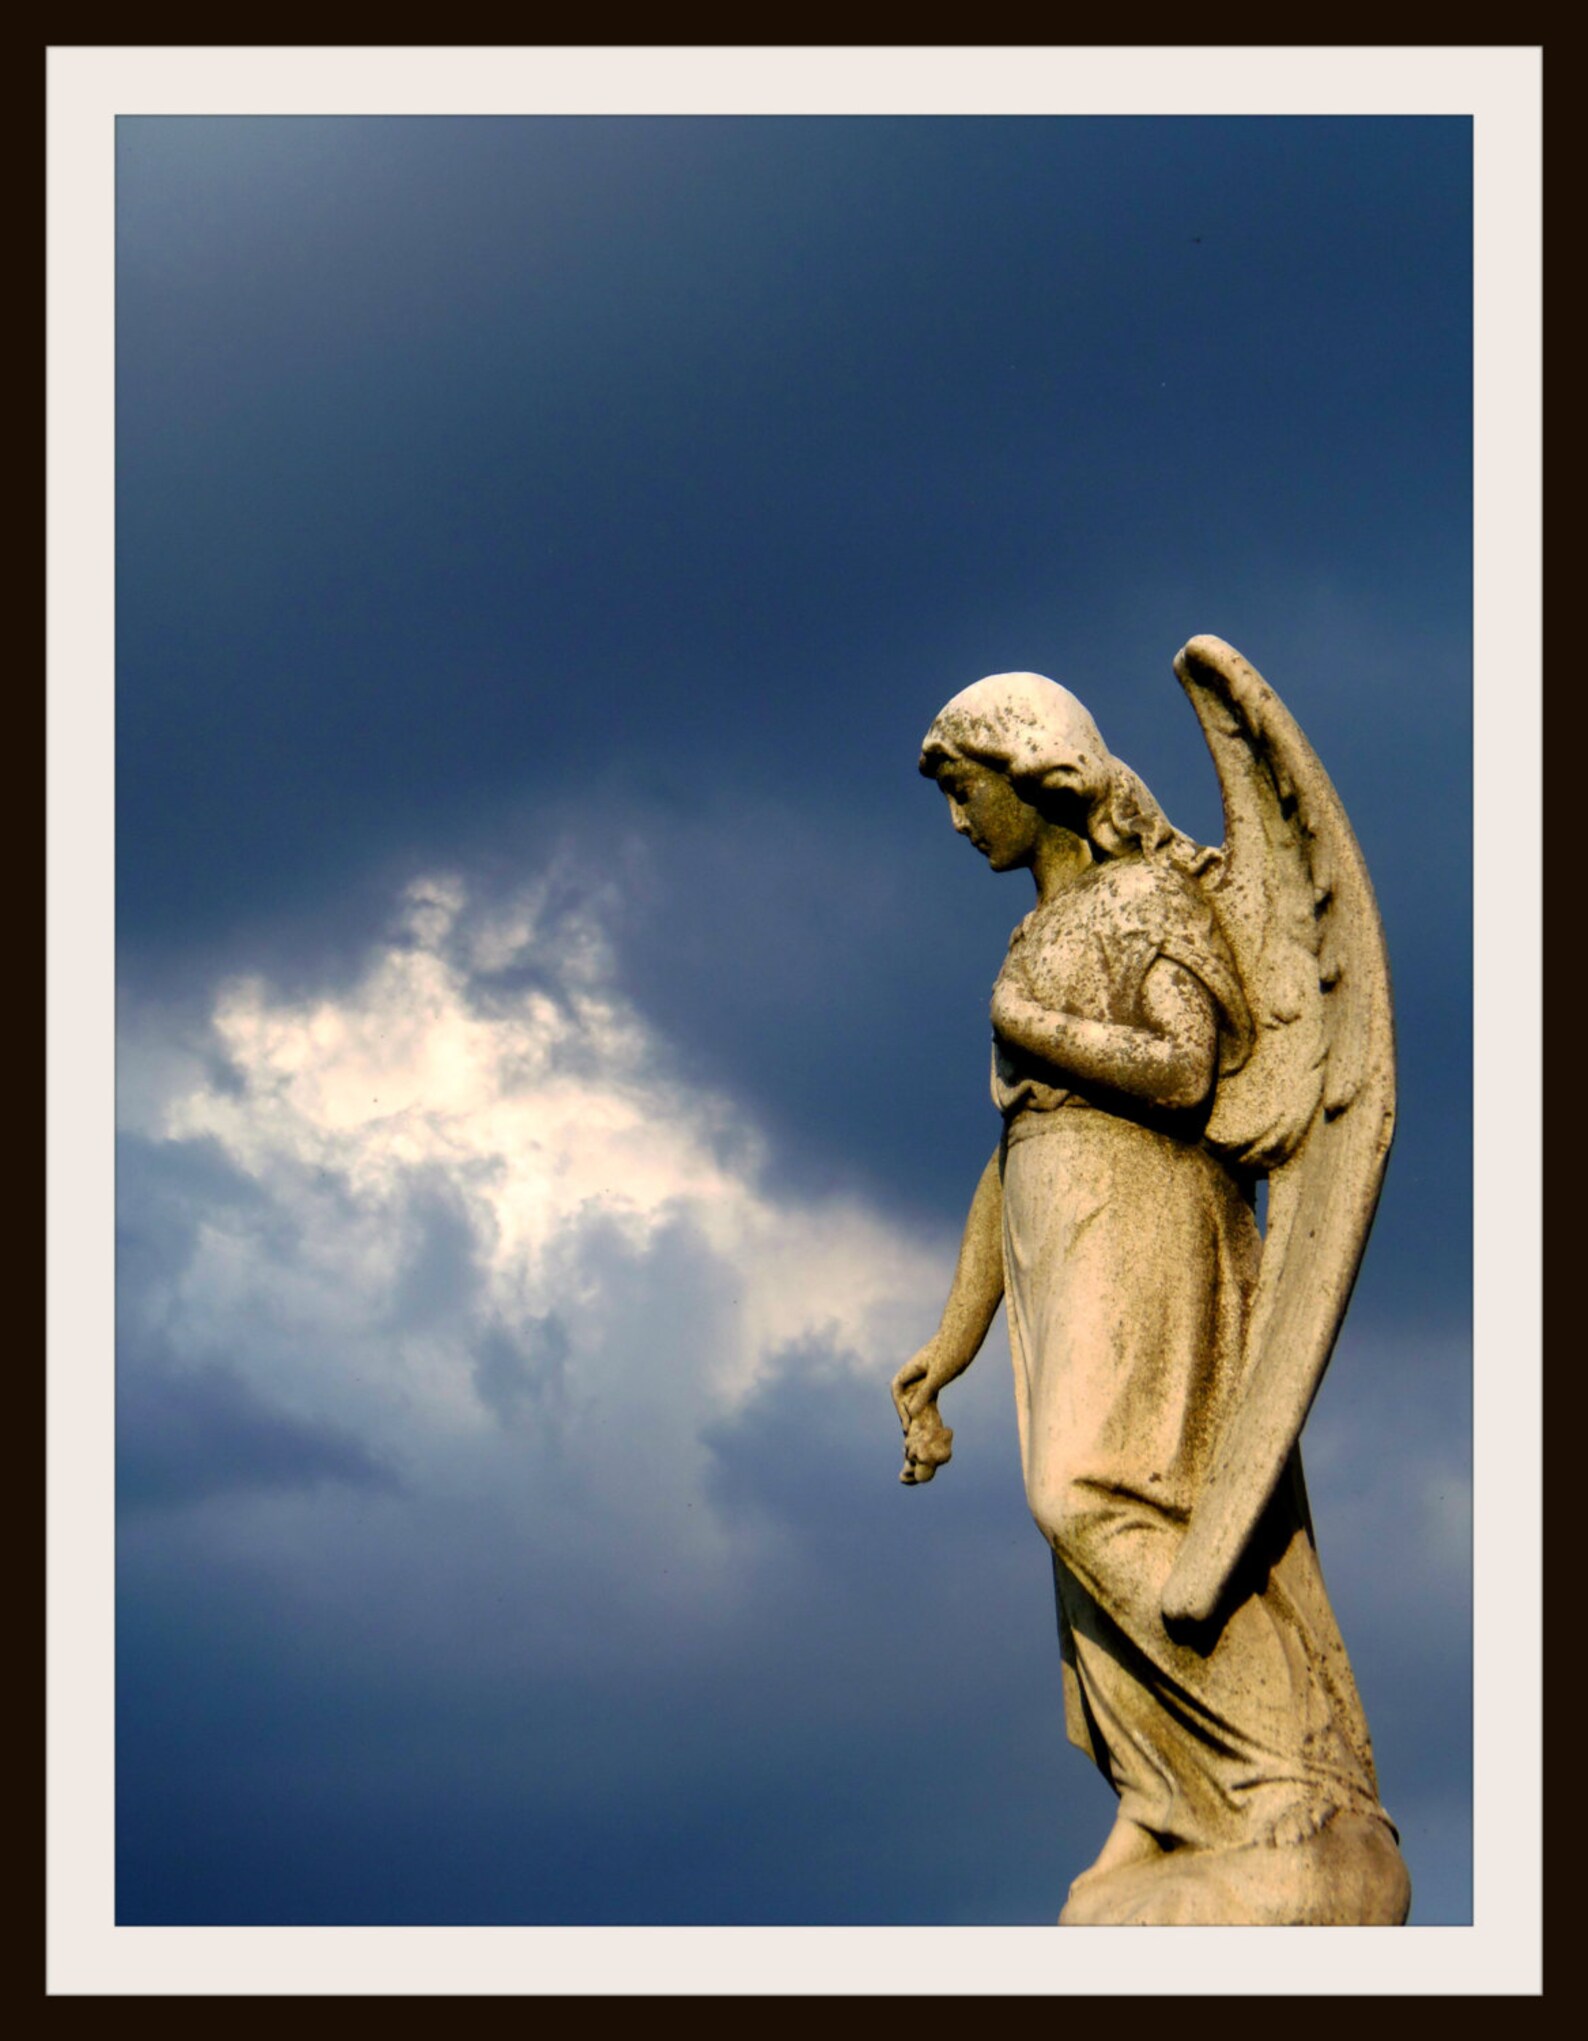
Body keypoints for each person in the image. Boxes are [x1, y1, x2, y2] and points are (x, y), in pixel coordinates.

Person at [892, 670, 1410, 1926]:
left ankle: (1280, 1771)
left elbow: (1183, 1073)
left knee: (1094, 1495)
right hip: (1056, 1227)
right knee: (1079, 1536)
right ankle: (1166, 1791)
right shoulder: (1033, 935)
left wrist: (1029, 1023)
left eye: (966, 791)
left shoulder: (1145, 901)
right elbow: (1014, 1146)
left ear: (1036, 773)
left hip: (1143, 1222)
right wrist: (950, 1342)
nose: (957, 822)